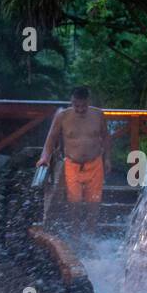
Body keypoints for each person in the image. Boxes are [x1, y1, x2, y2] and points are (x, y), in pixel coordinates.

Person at [36, 86, 111, 235]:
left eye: (83, 106)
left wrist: (107, 158)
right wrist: (44, 157)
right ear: (71, 102)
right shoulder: (63, 116)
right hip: (72, 164)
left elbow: (106, 137)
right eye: (76, 105)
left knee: (93, 205)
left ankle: (90, 236)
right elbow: (51, 138)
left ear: (88, 102)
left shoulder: (98, 115)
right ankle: (75, 236)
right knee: (74, 203)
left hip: (95, 163)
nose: (80, 109)